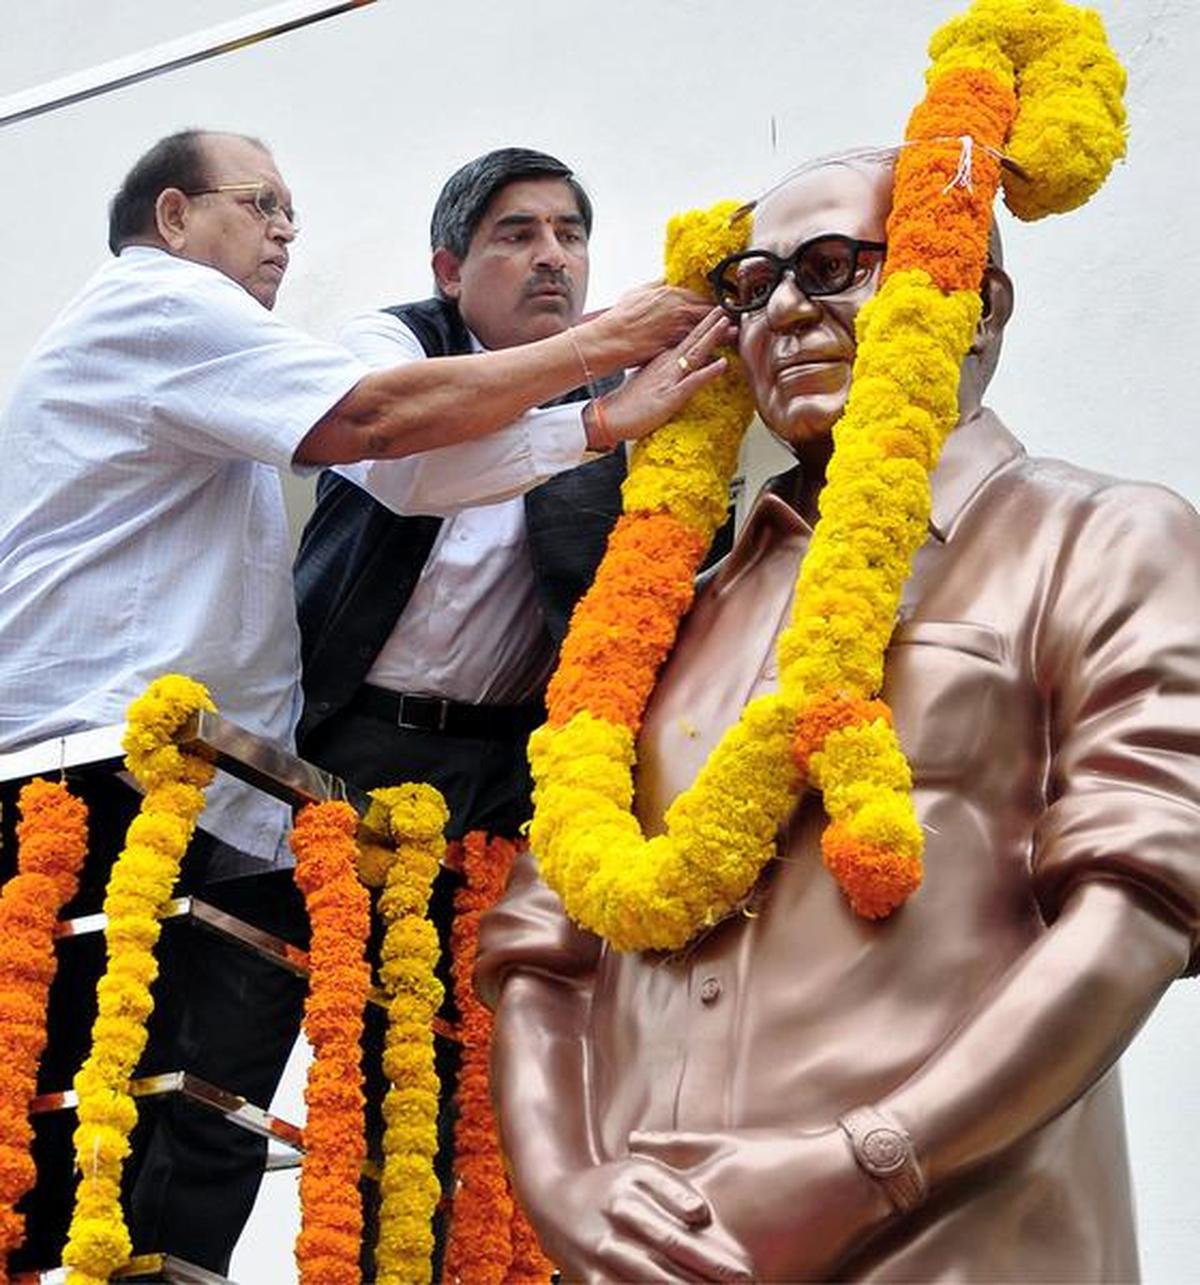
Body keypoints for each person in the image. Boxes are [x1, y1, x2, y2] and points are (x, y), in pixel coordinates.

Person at [0, 128, 722, 1275]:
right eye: (262, 202)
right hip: (111, 767)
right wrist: (604, 352)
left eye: (571, 237)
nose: (289, 229)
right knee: (78, 1117)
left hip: (236, 788)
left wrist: (598, 419)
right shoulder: (160, 305)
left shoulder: (205, 347)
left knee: (192, 1119)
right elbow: (379, 427)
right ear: (176, 216)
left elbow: (421, 466)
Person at [476, 154, 1200, 1282]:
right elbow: (544, 954)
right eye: (752, 285)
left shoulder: (1100, 538)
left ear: (977, 302)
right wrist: (570, 1192)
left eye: (830, 268)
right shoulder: (668, 619)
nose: (784, 311)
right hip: (651, 1257)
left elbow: (1144, 902)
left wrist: (865, 1166)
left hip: (963, 1244)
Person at [293, 145, 734, 1279]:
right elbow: (401, 461)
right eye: (516, 234)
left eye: (571, 235)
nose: (552, 257)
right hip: (347, 748)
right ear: (450, 267)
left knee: (490, 1070)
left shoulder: (637, 398)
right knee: (362, 1051)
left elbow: (681, 580)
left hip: (510, 776)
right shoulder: (387, 353)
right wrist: (594, 387)